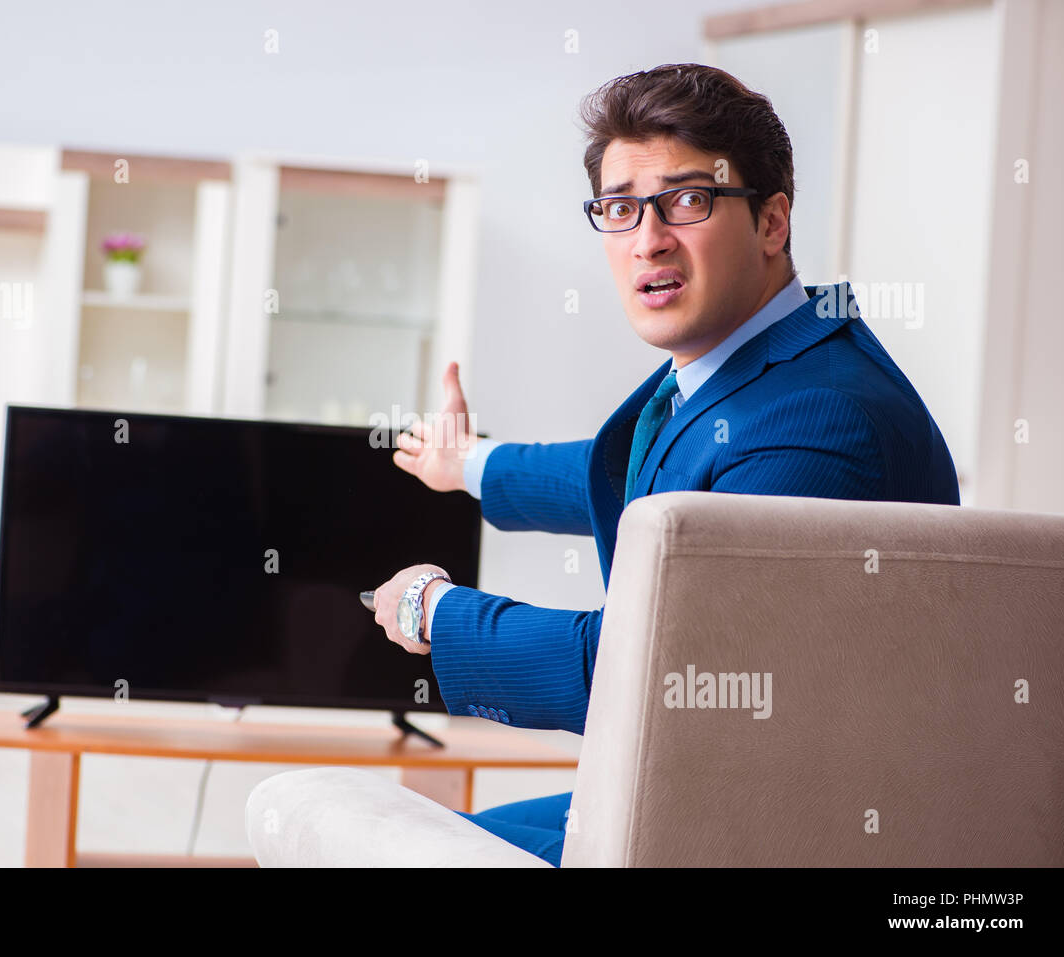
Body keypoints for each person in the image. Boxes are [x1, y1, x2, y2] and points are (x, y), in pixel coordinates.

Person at [370, 63, 959, 867]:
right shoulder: (762, 367)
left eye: (687, 200)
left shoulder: (821, 421)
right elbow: (645, 482)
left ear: (772, 221)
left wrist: (435, 614)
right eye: (620, 208)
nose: (648, 238)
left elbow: (653, 675)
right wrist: (469, 465)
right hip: (707, 792)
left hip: (768, 830)